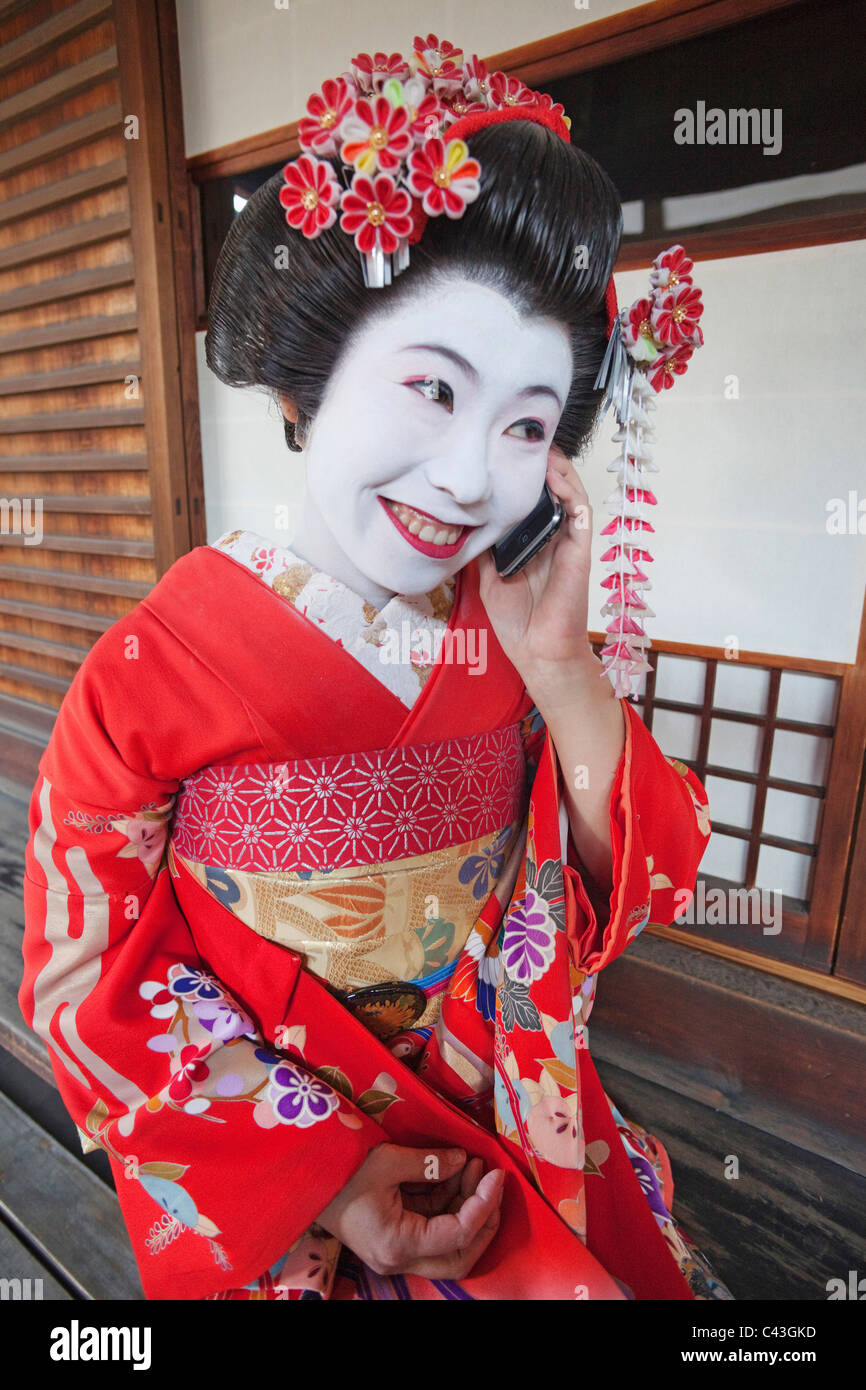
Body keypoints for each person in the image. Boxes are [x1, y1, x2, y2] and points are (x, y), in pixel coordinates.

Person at [19, 35, 731, 1301]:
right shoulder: (149, 668)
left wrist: (563, 668)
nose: (469, 475)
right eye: (430, 386)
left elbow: (639, 880)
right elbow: (87, 977)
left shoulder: (513, 631)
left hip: (499, 1116)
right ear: (307, 372)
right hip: (288, 1174)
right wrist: (337, 1182)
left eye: (524, 422)